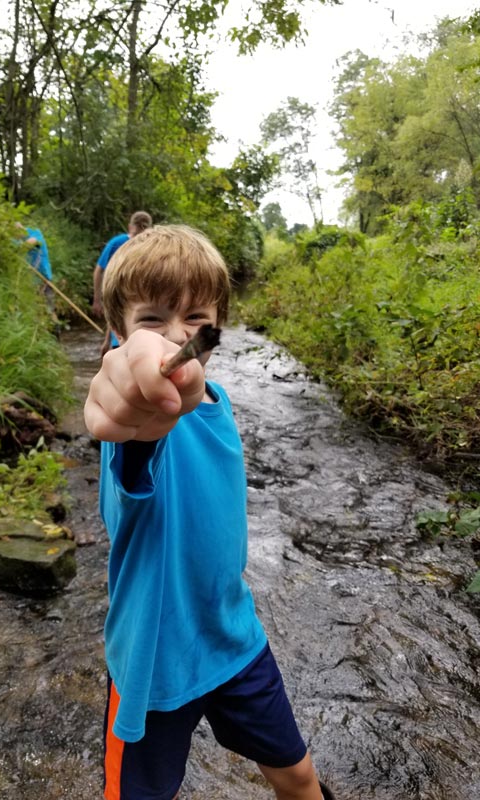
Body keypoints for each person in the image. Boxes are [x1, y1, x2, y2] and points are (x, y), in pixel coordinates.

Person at [83, 224, 336, 800]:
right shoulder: (138, 426)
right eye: (152, 320)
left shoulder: (219, 406)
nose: (177, 337)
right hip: (152, 665)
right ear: (117, 331)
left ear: (219, 325)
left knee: (298, 777)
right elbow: (135, 418)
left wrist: (156, 346)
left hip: (234, 639)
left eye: (197, 318)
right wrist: (133, 375)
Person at [92, 211, 152, 356]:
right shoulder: (119, 243)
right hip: (131, 328)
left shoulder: (147, 245)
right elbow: (99, 271)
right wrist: (97, 300)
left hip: (127, 327)